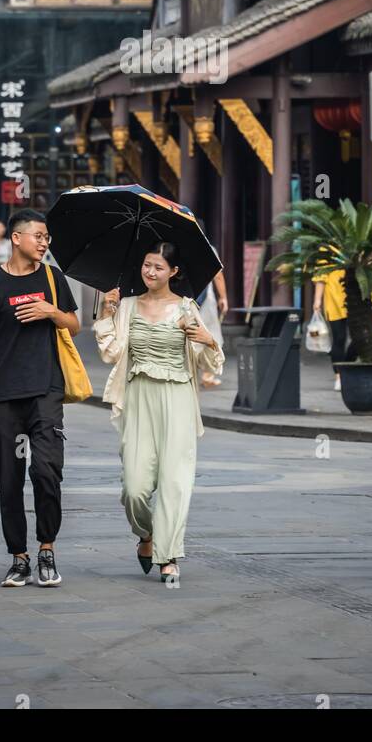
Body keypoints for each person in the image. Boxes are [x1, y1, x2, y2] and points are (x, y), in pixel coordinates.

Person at [95, 241, 224, 583]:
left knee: (174, 481)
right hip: (138, 396)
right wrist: (107, 314)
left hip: (179, 396)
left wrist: (208, 340)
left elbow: (209, 361)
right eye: (147, 265)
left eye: (158, 267)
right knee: (134, 486)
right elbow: (111, 354)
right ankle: (147, 535)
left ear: (174, 272)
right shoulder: (126, 306)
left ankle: (169, 555)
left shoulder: (186, 308)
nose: (150, 272)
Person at [0, 208, 79, 589]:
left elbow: (74, 326)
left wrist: (52, 311)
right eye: (39, 236)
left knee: (46, 472)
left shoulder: (52, 278)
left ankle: (47, 548)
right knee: (9, 480)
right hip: (4, 396)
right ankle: (19, 557)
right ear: (17, 238)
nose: (45, 242)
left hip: (46, 390)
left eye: (47, 237)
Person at [313, 268, 351, 393]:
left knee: (360, 338)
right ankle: (339, 376)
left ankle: (347, 368)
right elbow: (320, 277)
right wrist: (317, 300)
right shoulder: (328, 250)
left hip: (356, 300)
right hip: (334, 301)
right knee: (339, 338)